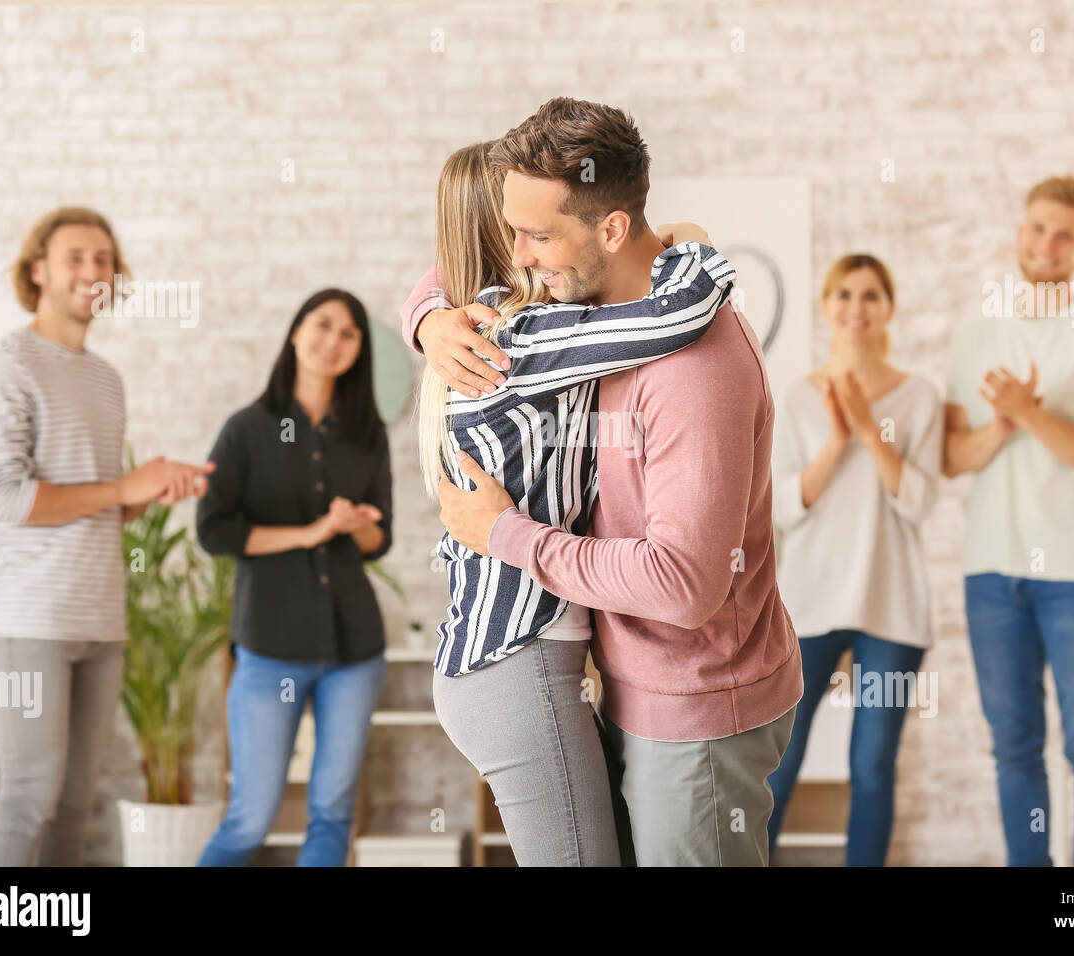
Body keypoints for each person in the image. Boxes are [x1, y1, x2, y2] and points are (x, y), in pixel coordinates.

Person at [413, 98, 802, 866]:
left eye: (536, 235)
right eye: (510, 232)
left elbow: (684, 584)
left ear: (611, 229)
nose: (518, 257)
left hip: (694, 704)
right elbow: (462, 260)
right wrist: (426, 314)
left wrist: (506, 534)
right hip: (627, 681)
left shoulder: (691, 364)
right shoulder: (585, 317)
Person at [0, 207, 212, 866]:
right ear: (37, 269)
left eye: (104, 259)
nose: (92, 271)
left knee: (75, 804)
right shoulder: (6, 366)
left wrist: (146, 495)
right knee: (29, 795)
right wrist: (123, 489)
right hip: (30, 614)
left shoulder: (105, 380)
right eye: (76, 257)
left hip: (99, 615)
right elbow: (4, 498)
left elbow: (95, 503)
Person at [943, 174, 1074, 866]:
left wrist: (1030, 413)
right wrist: (1004, 425)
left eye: (1066, 235)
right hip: (992, 574)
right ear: (1020, 234)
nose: (1048, 244)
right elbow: (951, 456)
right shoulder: (975, 337)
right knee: (1014, 746)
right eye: (1038, 228)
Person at [195, 289, 393, 866]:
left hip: (355, 650)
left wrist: (353, 525)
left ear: (359, 351)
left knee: (333, 814)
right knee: (249, 818)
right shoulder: (247, 429)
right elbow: (215, 530)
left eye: (348, 333)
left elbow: (381, 540)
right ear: (295, 331)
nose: (333, 341)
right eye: (322, 325)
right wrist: (309, 534)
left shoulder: (367, 433)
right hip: (269, 651)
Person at [767, 254, 942, 864]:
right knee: (779, 766)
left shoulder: (919, 397)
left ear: (888, 308)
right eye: (844, 294)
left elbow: (919, 503)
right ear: (826, 305)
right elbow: (783, 507)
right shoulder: (795, 397)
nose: (856, 308)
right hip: (810, 602)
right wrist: (839, 439)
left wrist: (870, 430)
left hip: (890, 609)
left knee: (871, 766)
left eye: (870, 296)